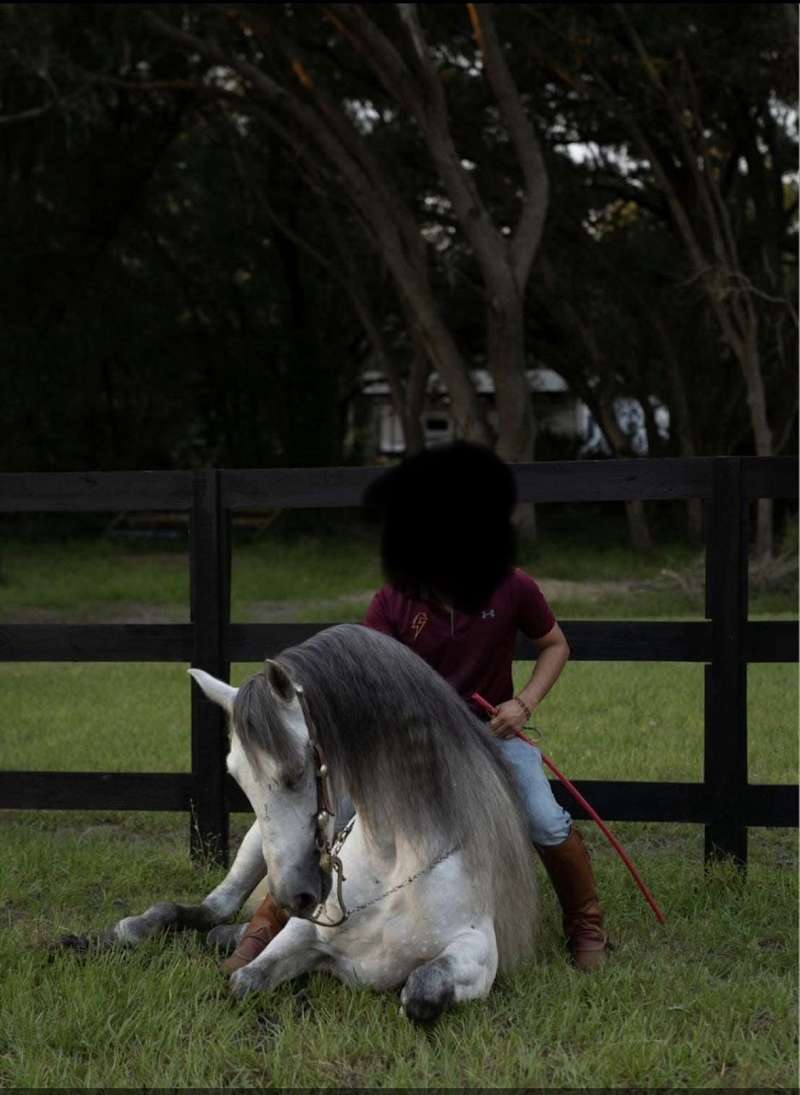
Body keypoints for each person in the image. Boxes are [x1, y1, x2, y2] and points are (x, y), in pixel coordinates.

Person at [224, 441, 607, 974]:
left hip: (490, 736)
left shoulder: (513, 586)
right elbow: (366, 686)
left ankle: (585, 926)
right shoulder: (392, 602)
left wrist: (524, 703)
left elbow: (555, 645)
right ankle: (267, 929)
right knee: (338, 817)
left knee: (545, 819)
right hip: (407, 743)